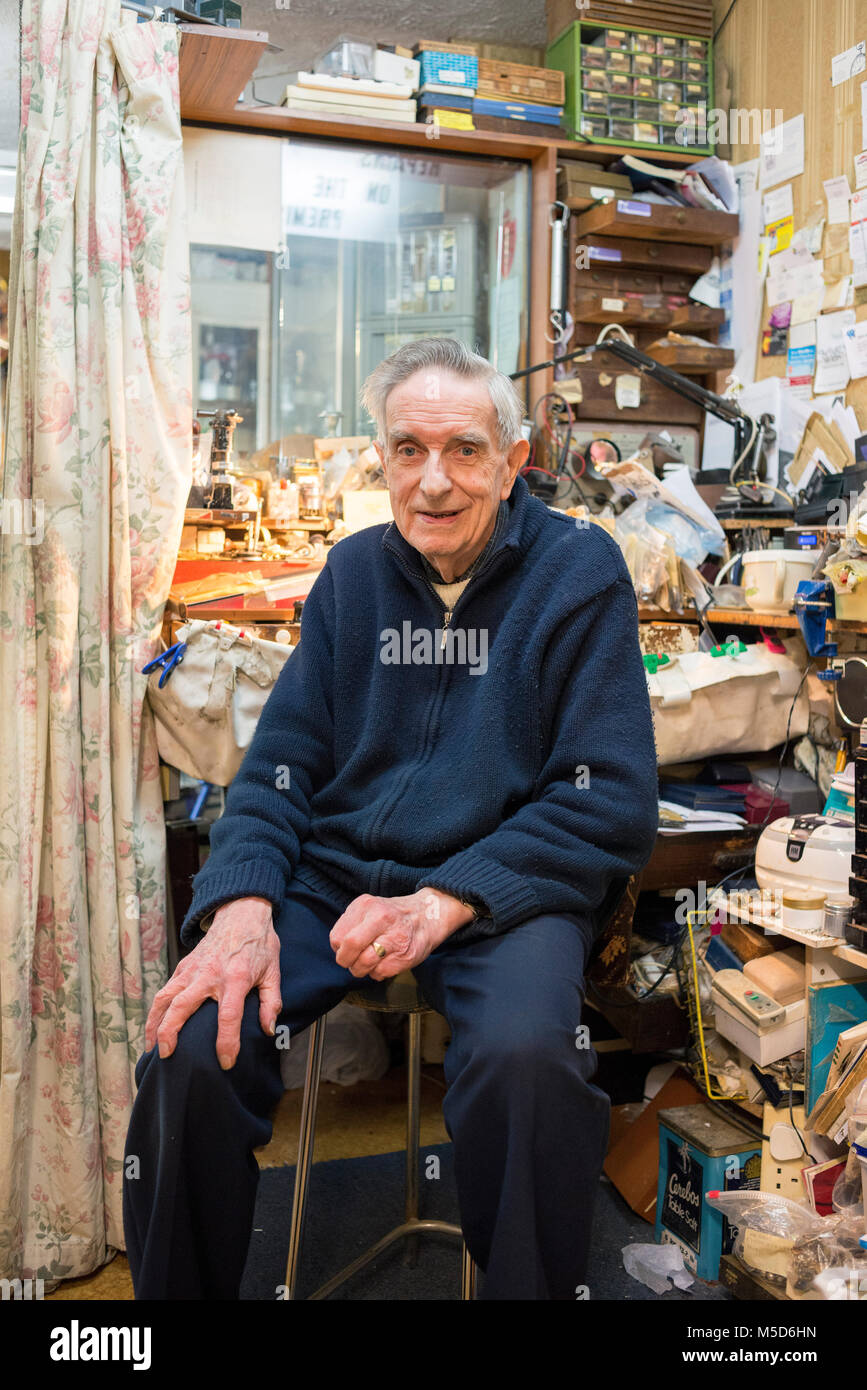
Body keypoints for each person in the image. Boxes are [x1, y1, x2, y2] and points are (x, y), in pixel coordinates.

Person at [123, 337, 659, 1300]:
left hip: (502, 887)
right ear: (382, 459)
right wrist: (239, 909)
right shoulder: (351, 576)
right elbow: (278, 769)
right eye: (407, 450)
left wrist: (447, 900)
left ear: (513, 458)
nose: (434, 482)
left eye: (463, 450)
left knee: (530, 1066)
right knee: (193, 1041)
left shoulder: (580, 574)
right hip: (335, 877)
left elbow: (607, 796)